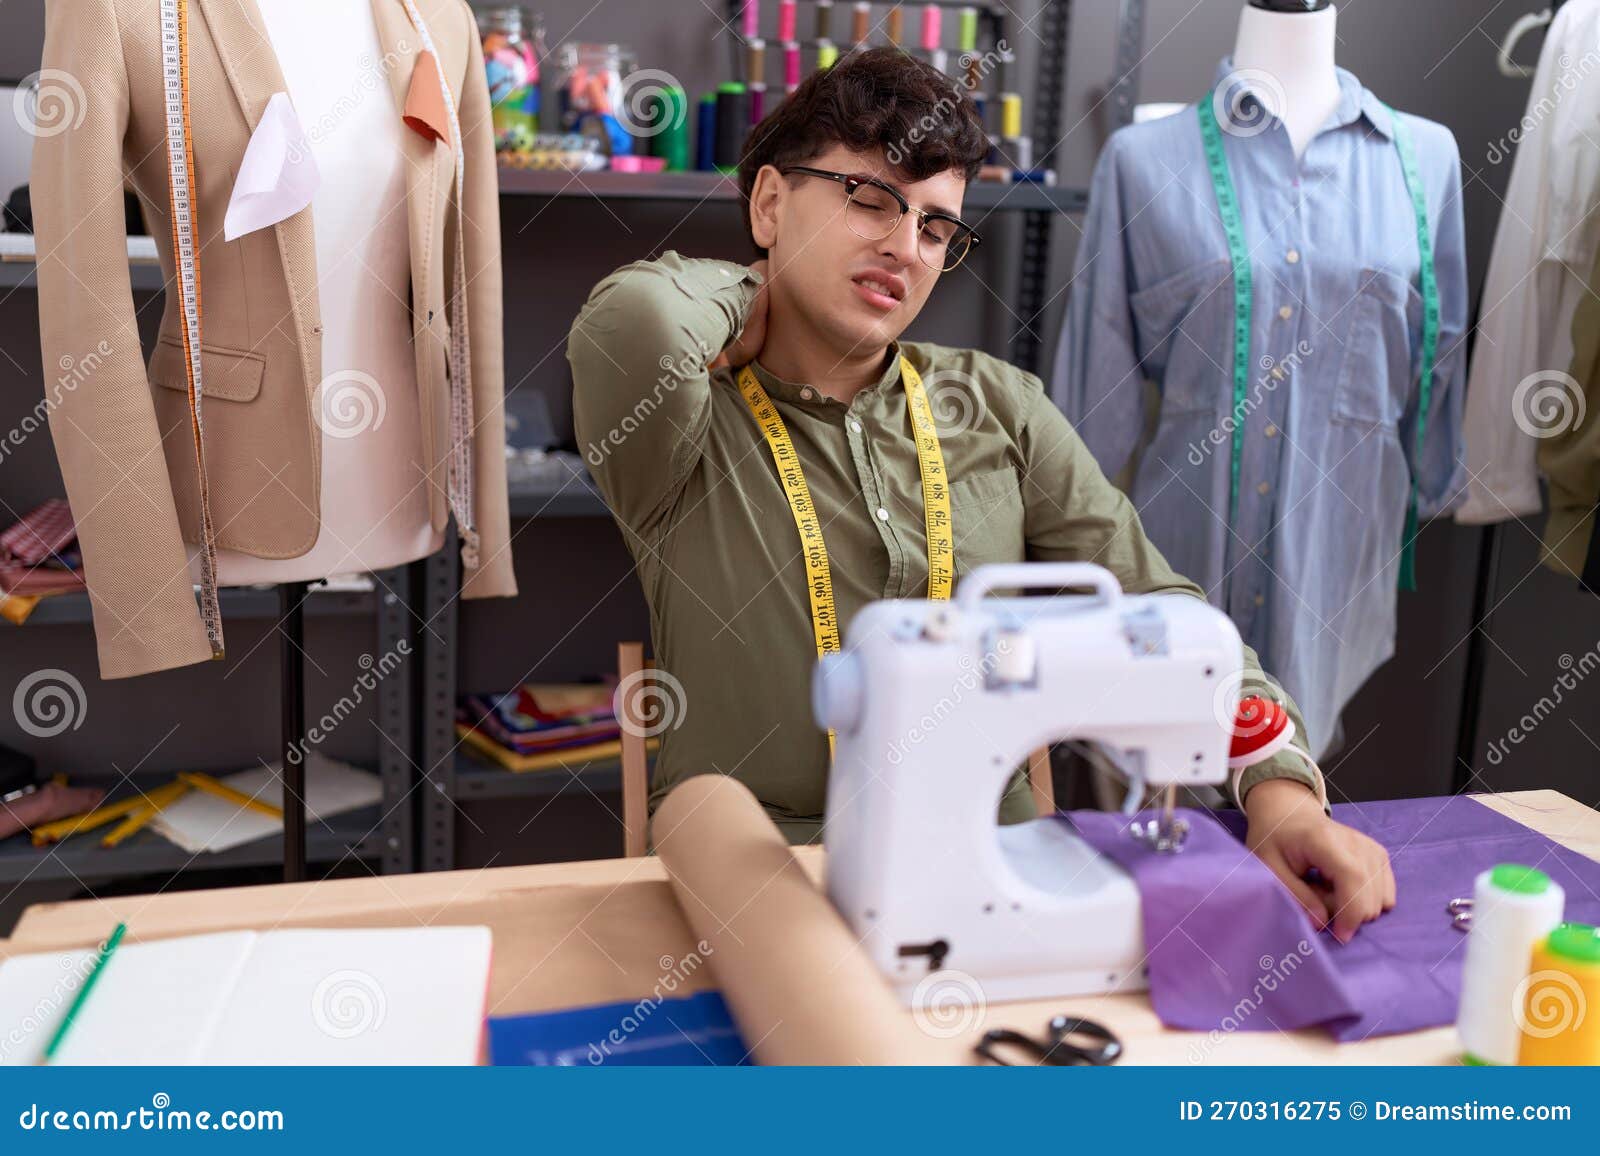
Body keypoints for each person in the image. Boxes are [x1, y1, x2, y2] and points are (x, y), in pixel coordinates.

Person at [567, 47, 1394, 941]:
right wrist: (751, 294)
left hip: (986, 871)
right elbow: (641, 319)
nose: (903, 247)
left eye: (934, 227)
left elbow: (1159, 607)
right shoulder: (681, 424)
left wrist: (1280, 790)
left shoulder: (997, 405)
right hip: (758, 887)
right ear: (769, 202)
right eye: (869, 198)